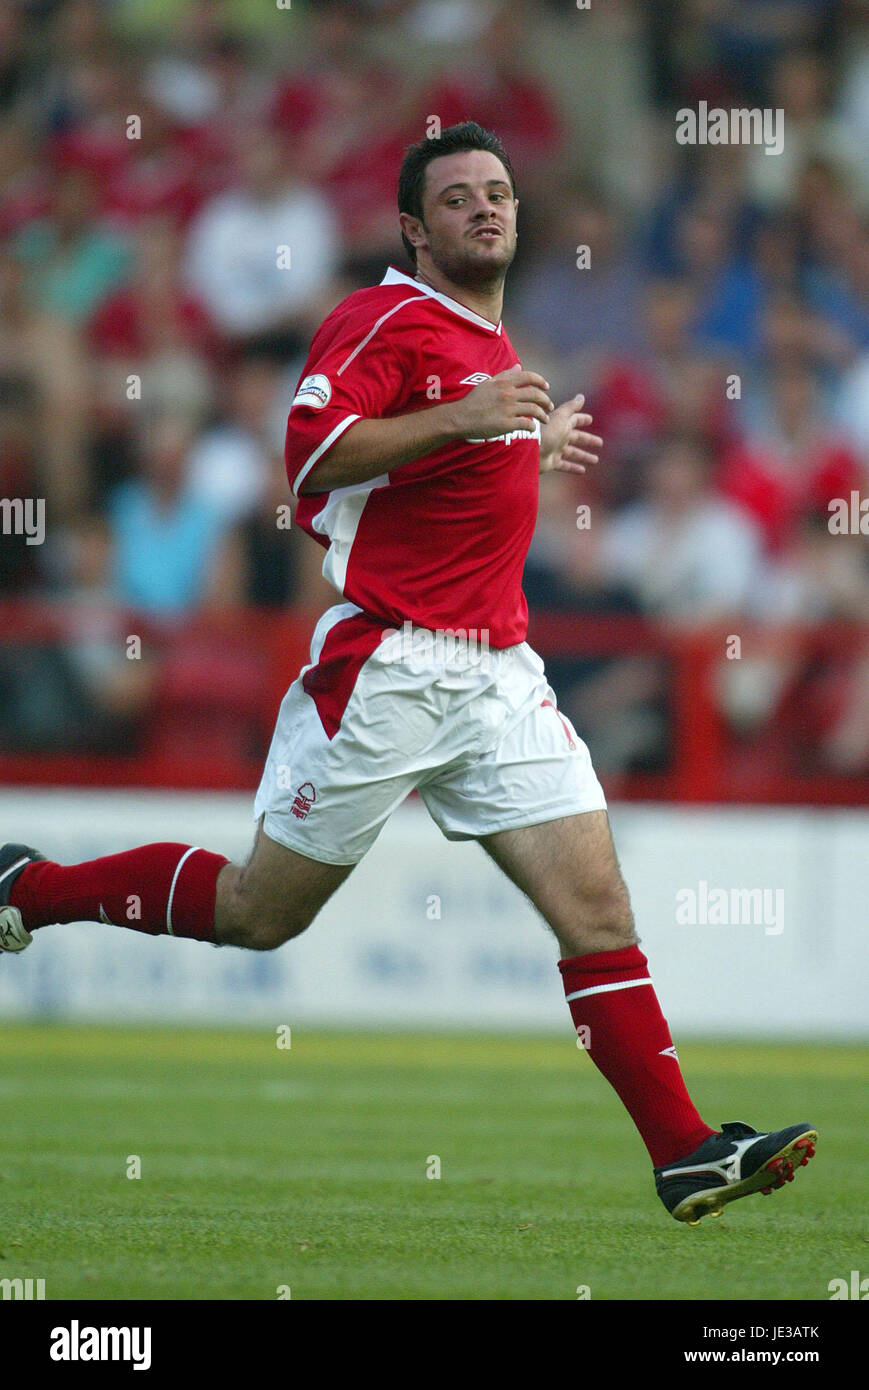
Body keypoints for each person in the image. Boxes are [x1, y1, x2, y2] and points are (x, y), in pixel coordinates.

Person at [0, 123, 816, 1223]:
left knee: (597, 908)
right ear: (412, 228)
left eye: (497, 193)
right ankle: (32, 888)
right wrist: (468, 418)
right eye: (458, 198)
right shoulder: (380, 318)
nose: (484, 208)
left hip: (498, 675)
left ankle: (680, 1149)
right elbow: (310, 454)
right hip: (389, 668)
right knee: (256, 912)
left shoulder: (487, 342)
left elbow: (432, 475)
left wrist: (517, 440)